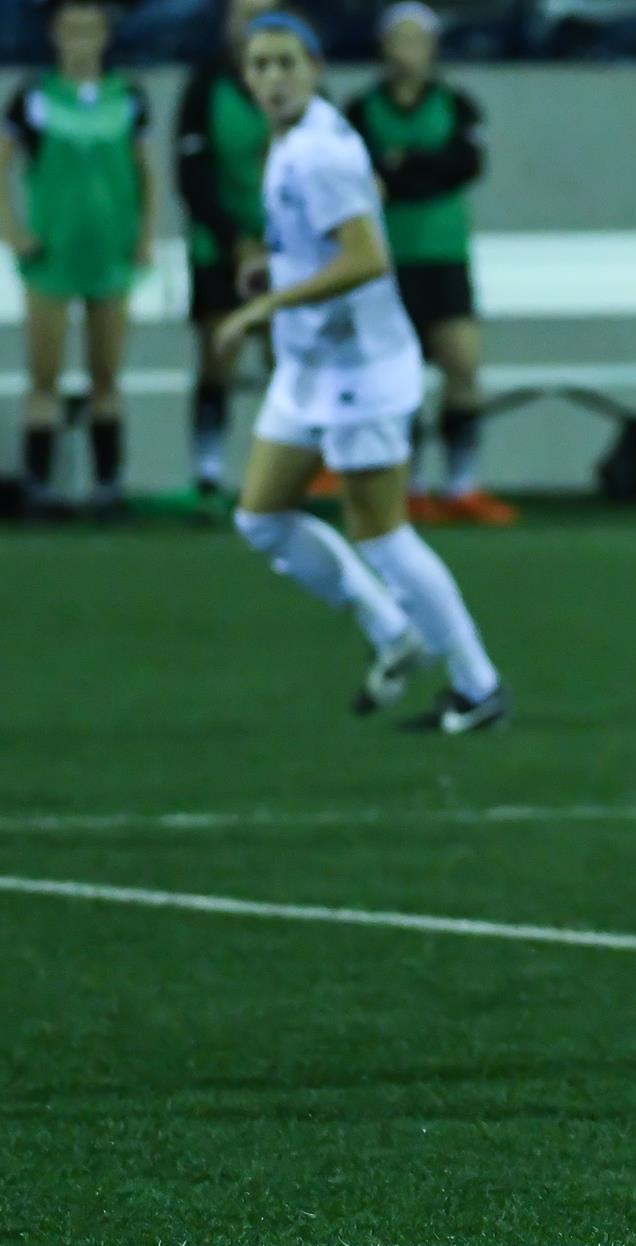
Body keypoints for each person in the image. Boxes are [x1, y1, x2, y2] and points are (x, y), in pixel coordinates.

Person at [218, 11, 508, 733]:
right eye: (261, 66)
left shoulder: (320, 150)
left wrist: (269, 305)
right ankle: (392, 632)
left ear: (316, 68)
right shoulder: (290, 144)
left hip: (361, 370)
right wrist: (273, 272)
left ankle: (478, 686)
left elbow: (366, 257)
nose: (274, 78)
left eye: (287, 63)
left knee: (383, 534)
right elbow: (329, 238)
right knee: (260, 517)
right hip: (312, 364)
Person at [347, 1, 515, 526]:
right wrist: (417, 170)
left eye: (417, 41)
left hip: (443, 256)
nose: (408, 53)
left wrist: (403, 169)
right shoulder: (360, 110)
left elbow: (463, 165)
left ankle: (463, 483)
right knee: (396, 380)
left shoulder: (457, 105)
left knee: (462, 366)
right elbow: (361, 174)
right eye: (399, 41)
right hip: (386, 261)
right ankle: (410, 485)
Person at [0, 0, 152, 519]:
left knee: (105, 374)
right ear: (55, 35)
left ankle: (109, 484)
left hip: (111, 253)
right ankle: (38, 486)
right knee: (44, 374)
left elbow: (145, 174)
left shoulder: (127, 96)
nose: (80, 40)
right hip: (50, 254)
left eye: (90, 29)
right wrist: (12, 230)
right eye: (71, 30)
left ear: (106, 35)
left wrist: (145, 236)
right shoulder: (34, 98)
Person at [175, 0, 277, 504]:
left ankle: (290, 472)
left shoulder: (295, 82)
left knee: (291, 361)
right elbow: (190, 174)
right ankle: (209, 471)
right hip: (219, 248)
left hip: (285, 251)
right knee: (219, 354)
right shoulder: (204, 86)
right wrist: (235, 239)